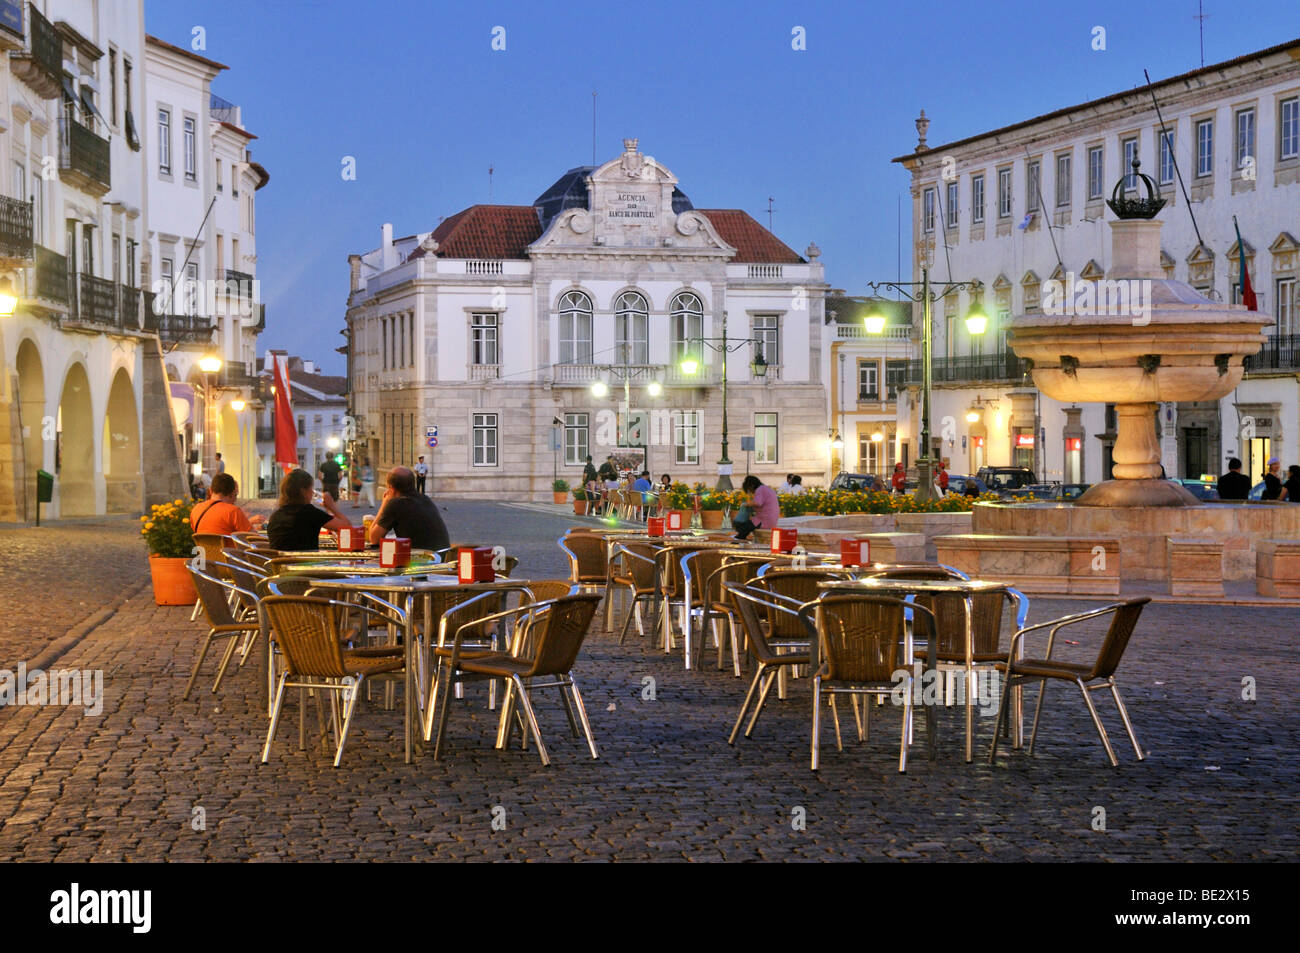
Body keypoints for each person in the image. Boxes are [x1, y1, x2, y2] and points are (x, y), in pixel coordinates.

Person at [368, 466, 450, 552]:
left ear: (391, 488)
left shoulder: (396, 504)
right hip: (442, 557)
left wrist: (384, 504)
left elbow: (374, 539)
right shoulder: (425, 499)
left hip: (424, 561)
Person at [266, 469, 351, 550]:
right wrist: (331, 506)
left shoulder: (275, 516)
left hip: (279, 563)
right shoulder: (309, 512)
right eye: (311, 489)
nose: (313, 492)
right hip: (305, 563)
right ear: (304, 491)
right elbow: (347, 527)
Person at [189, 473, 264, 534]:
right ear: (231, 493)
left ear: (211, 490)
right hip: (228, 552)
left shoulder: (196, 509)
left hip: (204, 552)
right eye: (235, 494)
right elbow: (252, 538)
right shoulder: (233, 511)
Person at [732, 475, 780, 541]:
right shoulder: (766, 488)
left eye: (749, 489)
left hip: (764, 520)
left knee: (743, 528)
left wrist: (746, 504)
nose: (751, 492)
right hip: (770, 519)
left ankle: (738, 541)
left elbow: (758, 503)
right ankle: (739, 538)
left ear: (752, 485)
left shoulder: (760, 489)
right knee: (746, 527)